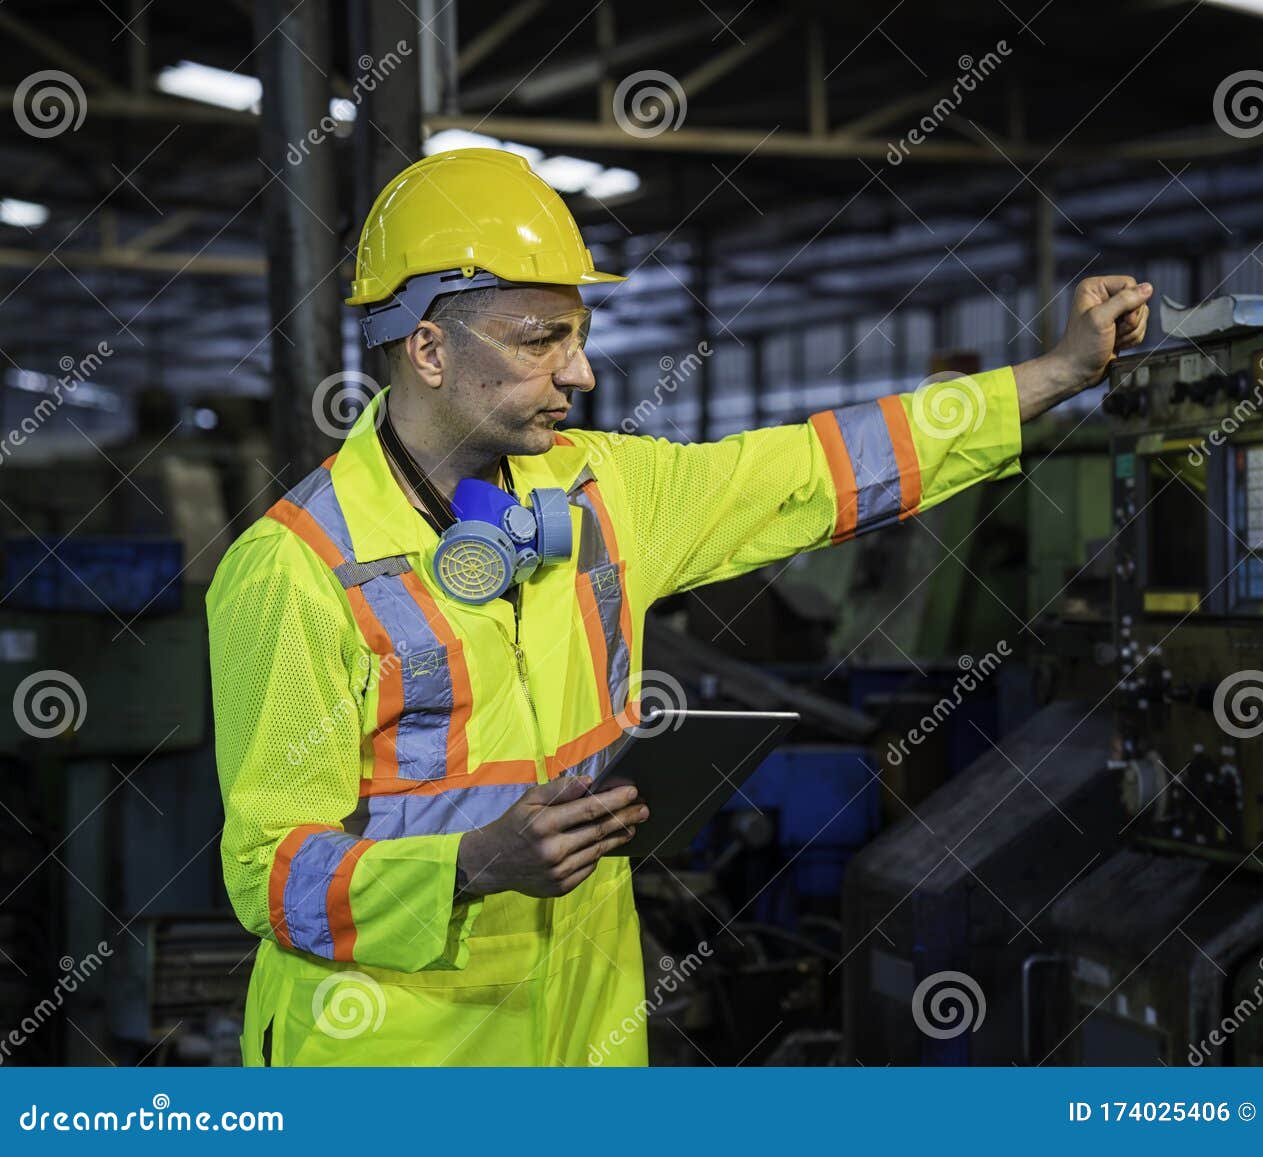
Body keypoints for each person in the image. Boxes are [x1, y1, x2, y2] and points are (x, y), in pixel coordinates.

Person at [206, 147, 1151, 1066]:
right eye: (543, 341)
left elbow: (816, 469)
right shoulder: (298, 570)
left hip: (586, 1031)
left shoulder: (599, 496)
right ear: (429, 349)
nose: (580, 373)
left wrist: (1055, 375)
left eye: (578, 335)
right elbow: (267, 873)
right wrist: (468, 868)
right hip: (394, 1063)